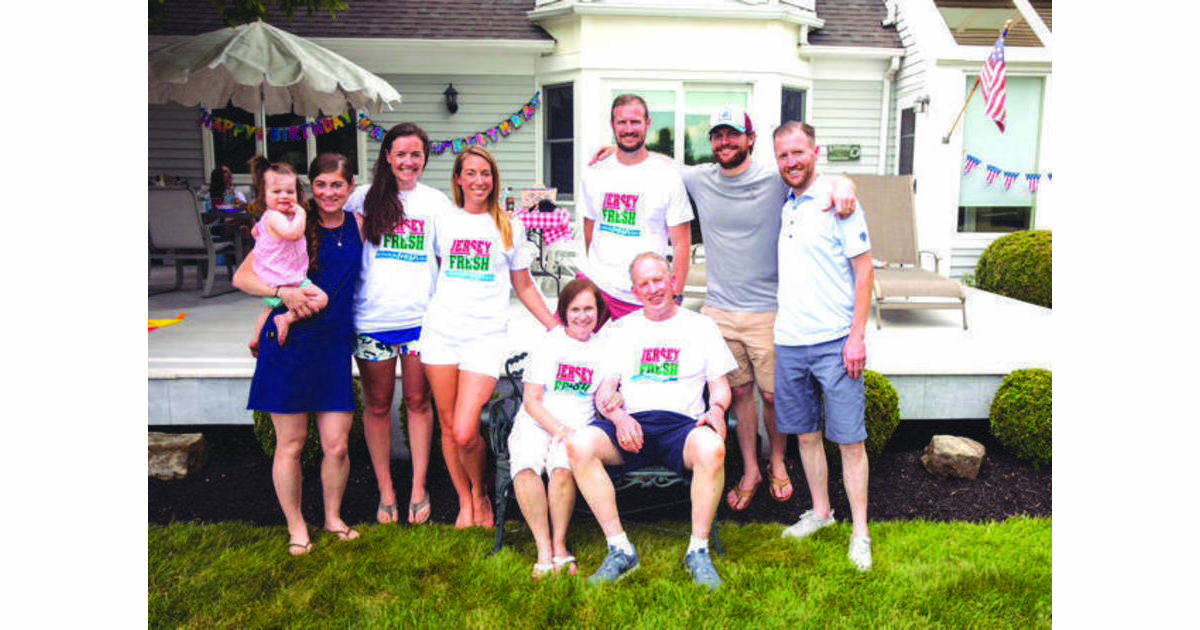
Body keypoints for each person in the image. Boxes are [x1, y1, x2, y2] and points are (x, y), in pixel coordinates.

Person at [590, 107, 858, 513]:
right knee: (740, 394)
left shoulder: (774, 178)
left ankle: (777, 461)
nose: (725, 142)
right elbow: (659, 163)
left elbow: (814, 177)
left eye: (734, 134)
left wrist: (844, 182)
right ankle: (750, 469)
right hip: (719, 311)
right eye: (718, 135)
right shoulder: (701, 178)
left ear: (750, 139)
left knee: (772, 396)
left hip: (769, 311)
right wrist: (619, 150)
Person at [567, 252, 736, 591]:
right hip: (632, 425)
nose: (653, 289)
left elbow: (720, 386)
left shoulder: (701, 326)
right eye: (644, 284)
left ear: (672, 281)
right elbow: (605, 390)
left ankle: (698, 551)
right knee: (579, 445)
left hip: (682, 428)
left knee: (712, 448)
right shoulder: (622, 329)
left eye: (658, 280)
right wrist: (618, 417)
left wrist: (717, 409)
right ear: (635, 291)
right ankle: (620, 549)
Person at [422, 146, 561, 529]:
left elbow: (525, 286)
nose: (478, 180)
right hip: (441, 334)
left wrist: (555, 326)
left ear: (494, 179)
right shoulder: (444, 221)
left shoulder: (508, 226)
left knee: (466, 429)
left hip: (484, 338)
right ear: (458, 179)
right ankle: (467, 501)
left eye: (485, 173)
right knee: (448, 426)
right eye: (470, 173)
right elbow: (436, 272)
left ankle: (482, 493)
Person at [233, 152, 364, 555]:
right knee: (290, 443)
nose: (329, 192)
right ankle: (296, 526)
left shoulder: (358, 224)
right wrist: (279, 296)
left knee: (336, 444)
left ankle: (333, 518)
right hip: (290, 345)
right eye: (320, 184)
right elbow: (243, 276)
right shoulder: (290, 224)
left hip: (333, 346)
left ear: (350, 187)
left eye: (337, 184)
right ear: (310, 187)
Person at [772, 121, 875, 571]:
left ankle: (860, 533)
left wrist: (856, 336)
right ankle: (821, 512)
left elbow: (865, 271)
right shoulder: (787, 205)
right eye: (783, 155)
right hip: (790, 341)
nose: (791, 162)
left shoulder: (840, 202)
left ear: (815, 152)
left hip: (835, 342)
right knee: (806, 435)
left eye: (798, 152)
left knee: (850, 441)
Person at [345, 123, 449, 526]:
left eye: (416, 154)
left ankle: (419, 486)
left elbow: (444, 258)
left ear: (425, 158)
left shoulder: (435, 203)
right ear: (387, 156)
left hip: (421, 321)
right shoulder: (361, 199)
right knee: (377, 405)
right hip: (373, 319)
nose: (408, 161)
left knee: (419, 402)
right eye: (401, 154)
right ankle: (386, 489)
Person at [508, 277, 611, 578]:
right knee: (526, 468)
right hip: (538, 420)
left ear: (598, 311)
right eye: (575, 309)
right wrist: (559, 429)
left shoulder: (605, 348)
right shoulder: (549, 343)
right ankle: (542, 547)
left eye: (589, 309)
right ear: (564, 311)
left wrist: (614, 401)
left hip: (578, 425)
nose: (582, 316)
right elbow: (531, 401)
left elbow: (604, 394)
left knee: (562, 470)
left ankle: (559, 544)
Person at [577, 93, 693, 321]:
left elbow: (681, 244)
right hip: (595, 285)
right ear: (612, 124)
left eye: (635, 122)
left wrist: (675, 293)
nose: (628, 129)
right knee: (568, 339)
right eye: (622, 122)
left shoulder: (667, 176)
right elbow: (589, 230)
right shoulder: (594, 173)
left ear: (647, 124)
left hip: (641, 295)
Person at [246, 156, 327, 351]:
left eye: (290, 191)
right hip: (286, 279)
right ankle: (287, 318)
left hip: (279, 277)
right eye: (276, 192)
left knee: (269, 309)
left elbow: (256, 233)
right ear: (264, 195)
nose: (284, 196)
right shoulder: (275, 217)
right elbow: (293, 234)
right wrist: (301, 214)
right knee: (321, 299)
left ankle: (256, 339)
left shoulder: (269, 218)